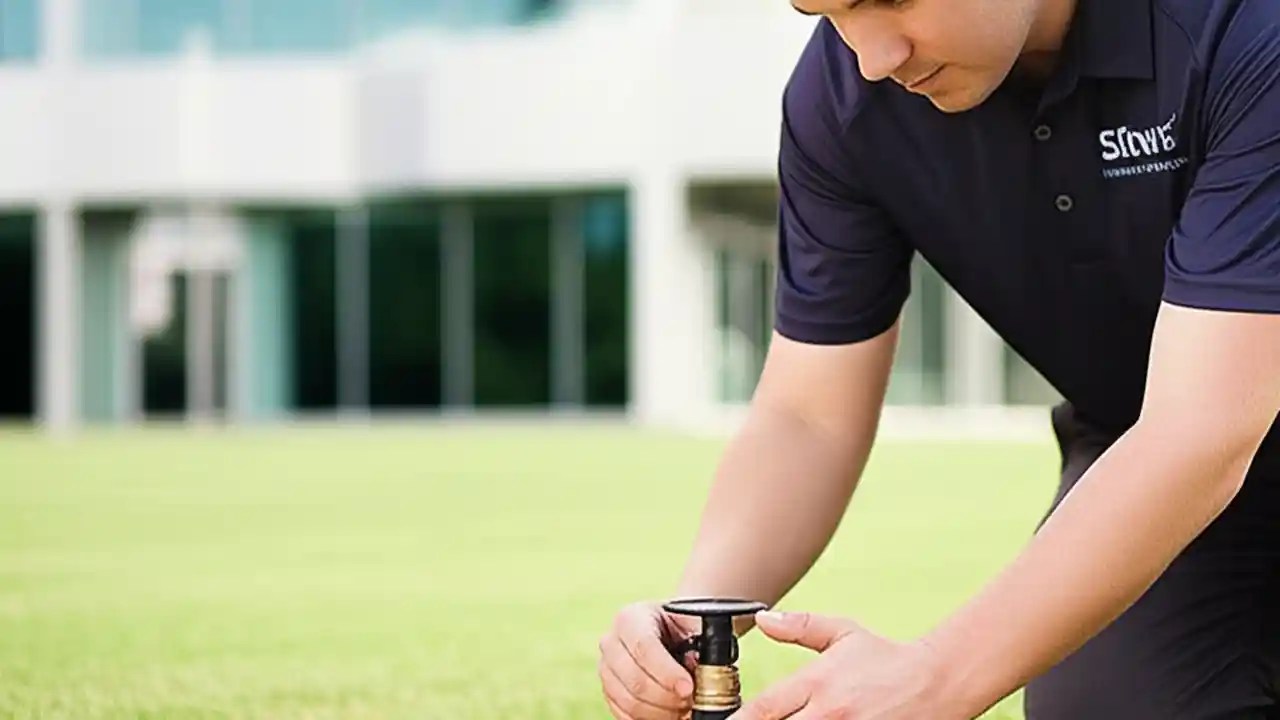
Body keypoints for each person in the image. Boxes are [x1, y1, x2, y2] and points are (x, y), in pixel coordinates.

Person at [597, 0, 1280, 717]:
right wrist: (696, 615)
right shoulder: (841, 100)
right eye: (824, 12)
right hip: (1141, 458)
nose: (873, 58)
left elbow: (1203, 429)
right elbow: (809, 416)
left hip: (1195, 435)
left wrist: (937, 675)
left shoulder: (1246, 27)